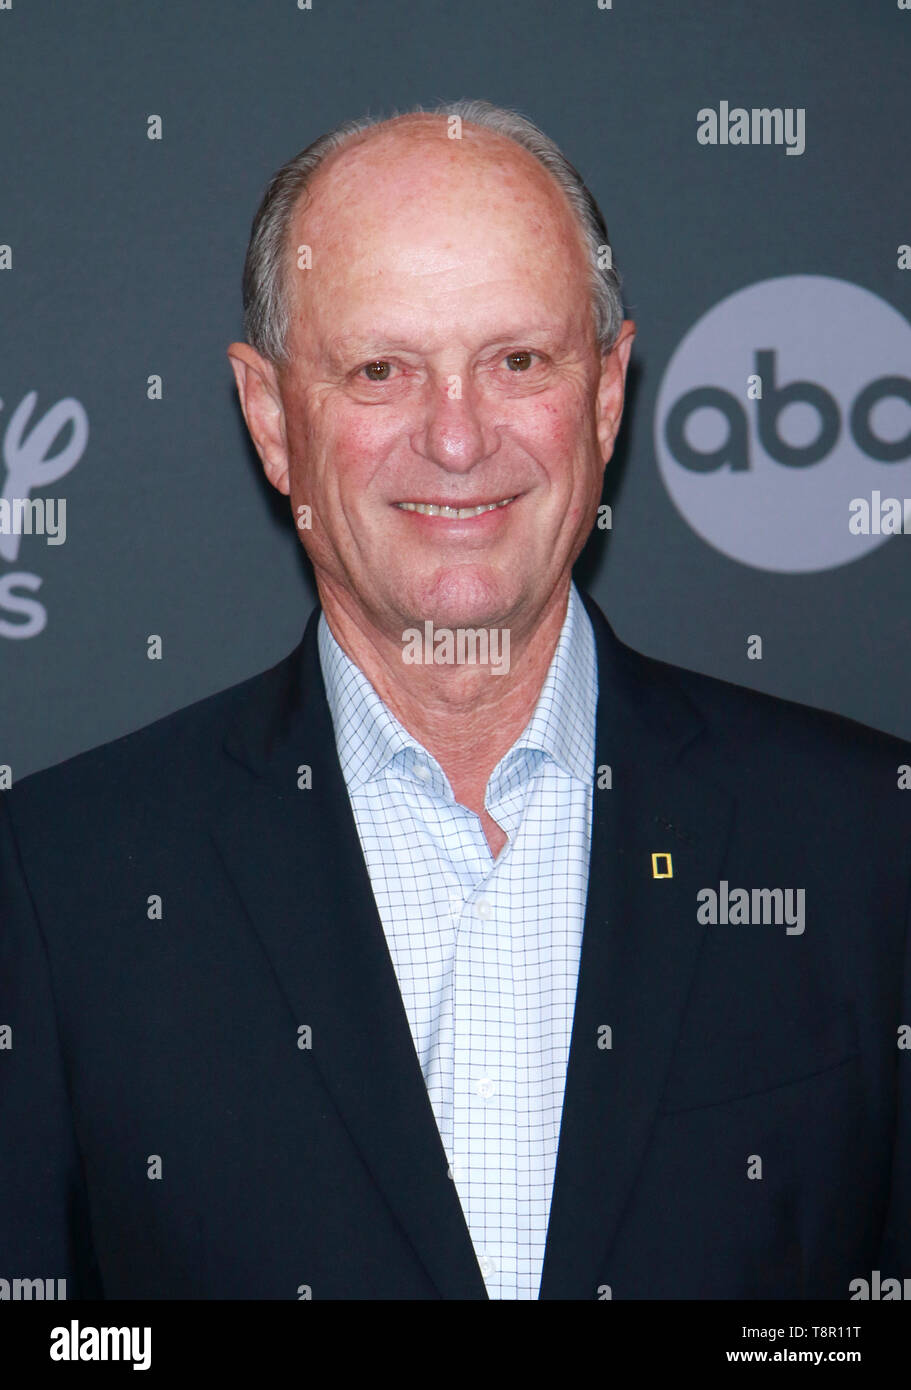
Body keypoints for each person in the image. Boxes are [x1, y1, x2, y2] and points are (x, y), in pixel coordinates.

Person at [1, 100, 908, 1301]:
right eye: (380, 370)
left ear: (604, 391)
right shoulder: (64, 882)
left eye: (516, 360)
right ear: (272, 420)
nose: (457, 436)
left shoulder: (863, 841)